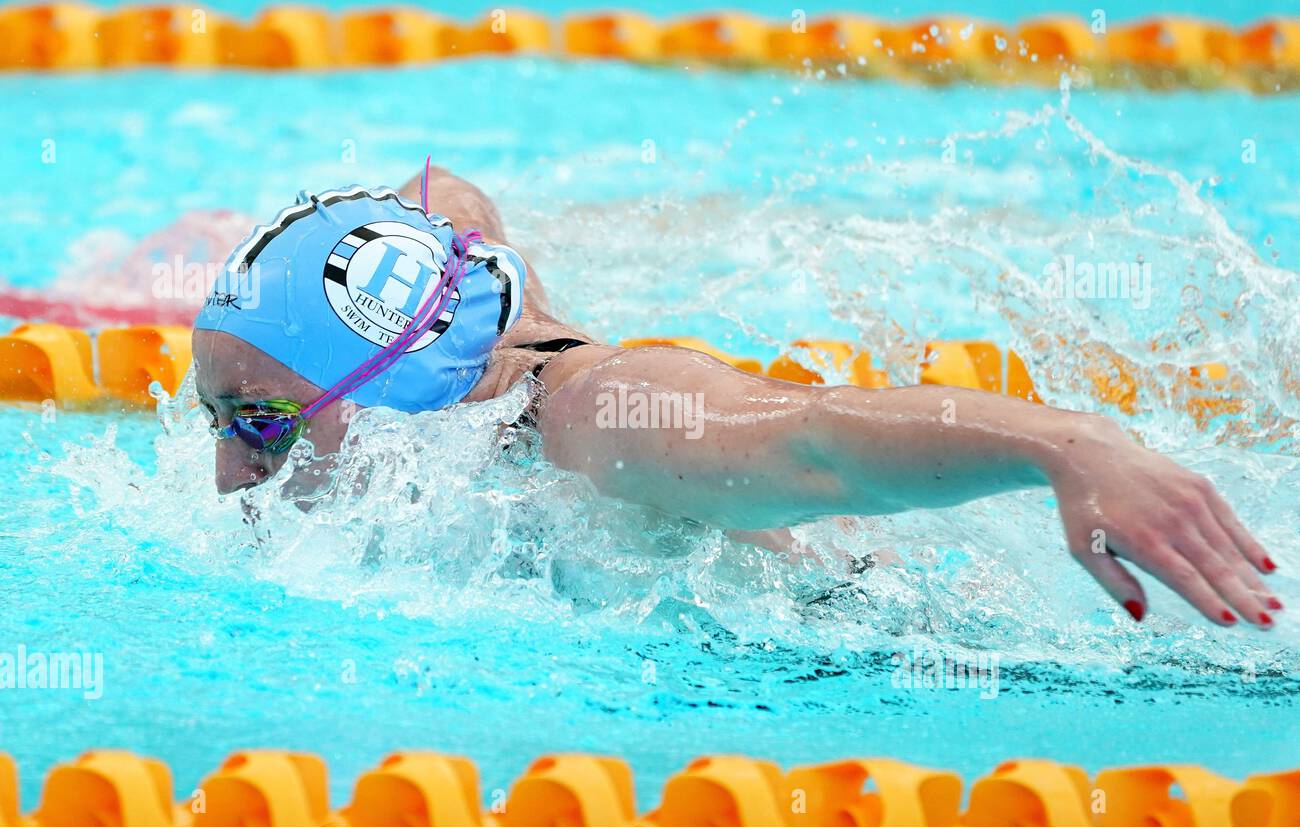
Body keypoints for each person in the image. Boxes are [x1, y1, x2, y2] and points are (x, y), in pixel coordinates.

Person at [192, 162, 1282, 631]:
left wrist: (1071, 446)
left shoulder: (599, 419)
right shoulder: (447, 304)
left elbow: (809, 442)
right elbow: (445, 204)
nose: (230, 472)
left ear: (405, 387)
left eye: (263, 425)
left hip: (864, 638)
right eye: (217, 416)